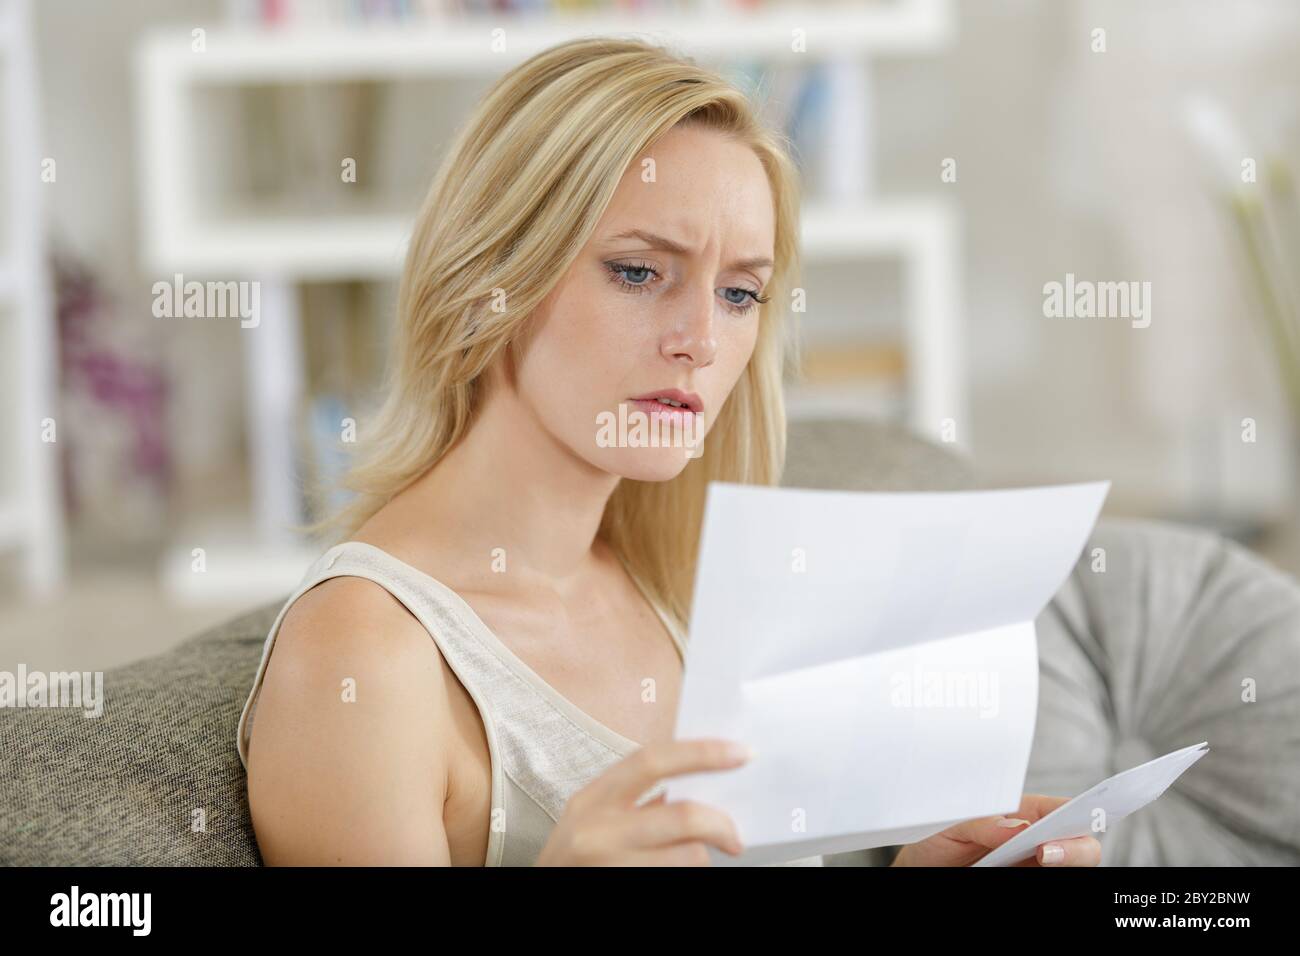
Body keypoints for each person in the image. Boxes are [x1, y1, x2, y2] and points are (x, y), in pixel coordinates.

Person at [236, 36, 1100, 868]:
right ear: (486, 285)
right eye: (640, 273)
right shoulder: (361, 662)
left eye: (737, 293)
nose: (701, 340)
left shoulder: (674, 584)